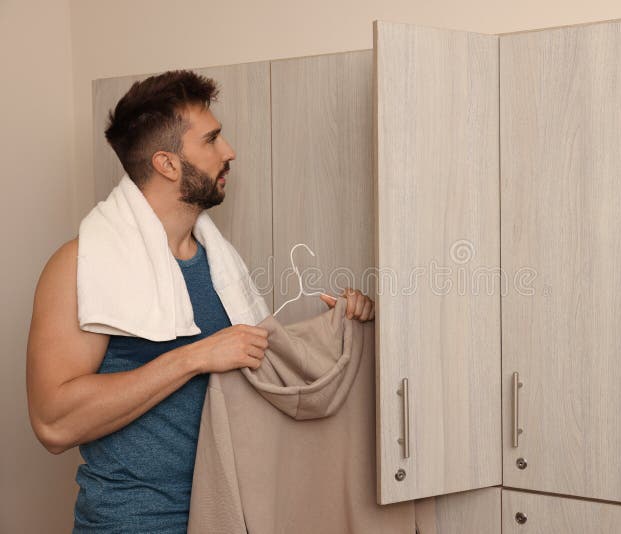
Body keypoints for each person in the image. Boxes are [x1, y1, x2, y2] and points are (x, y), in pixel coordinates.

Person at [25, 69, 375, 532]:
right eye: (211, 140)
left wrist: (342, 328)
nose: (228, 152)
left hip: (227, 511)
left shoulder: (220, 265)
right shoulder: (78, 265)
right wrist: (193, 358)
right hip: (133, 523)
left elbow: (254, 366)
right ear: (168, 164)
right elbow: (53, 423)